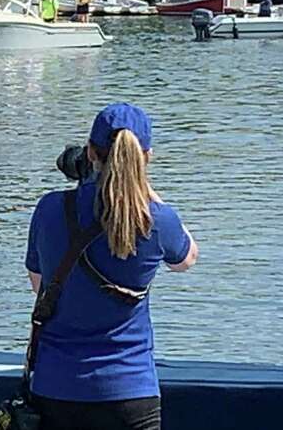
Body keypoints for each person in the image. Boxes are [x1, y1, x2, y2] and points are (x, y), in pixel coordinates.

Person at [25, 103, 198, 430]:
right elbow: (187, 259)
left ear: (91, 152)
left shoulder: (50, 209)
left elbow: (41, 286)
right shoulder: (157, 220)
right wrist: (144, 189)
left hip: (57, 388)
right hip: (130, 390)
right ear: (146, 157)